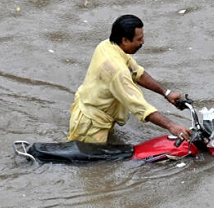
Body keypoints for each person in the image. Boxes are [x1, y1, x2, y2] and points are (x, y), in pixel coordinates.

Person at [68, 15, 193, 144]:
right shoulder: (117, 71)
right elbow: (139, 106)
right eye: (139, 39)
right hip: (91, 126)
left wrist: (166, 93)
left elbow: (136, 72)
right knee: (92, 162)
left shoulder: (107, 45)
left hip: (90, 112)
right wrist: (172, 127)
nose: (143, 42)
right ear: (125, 40)